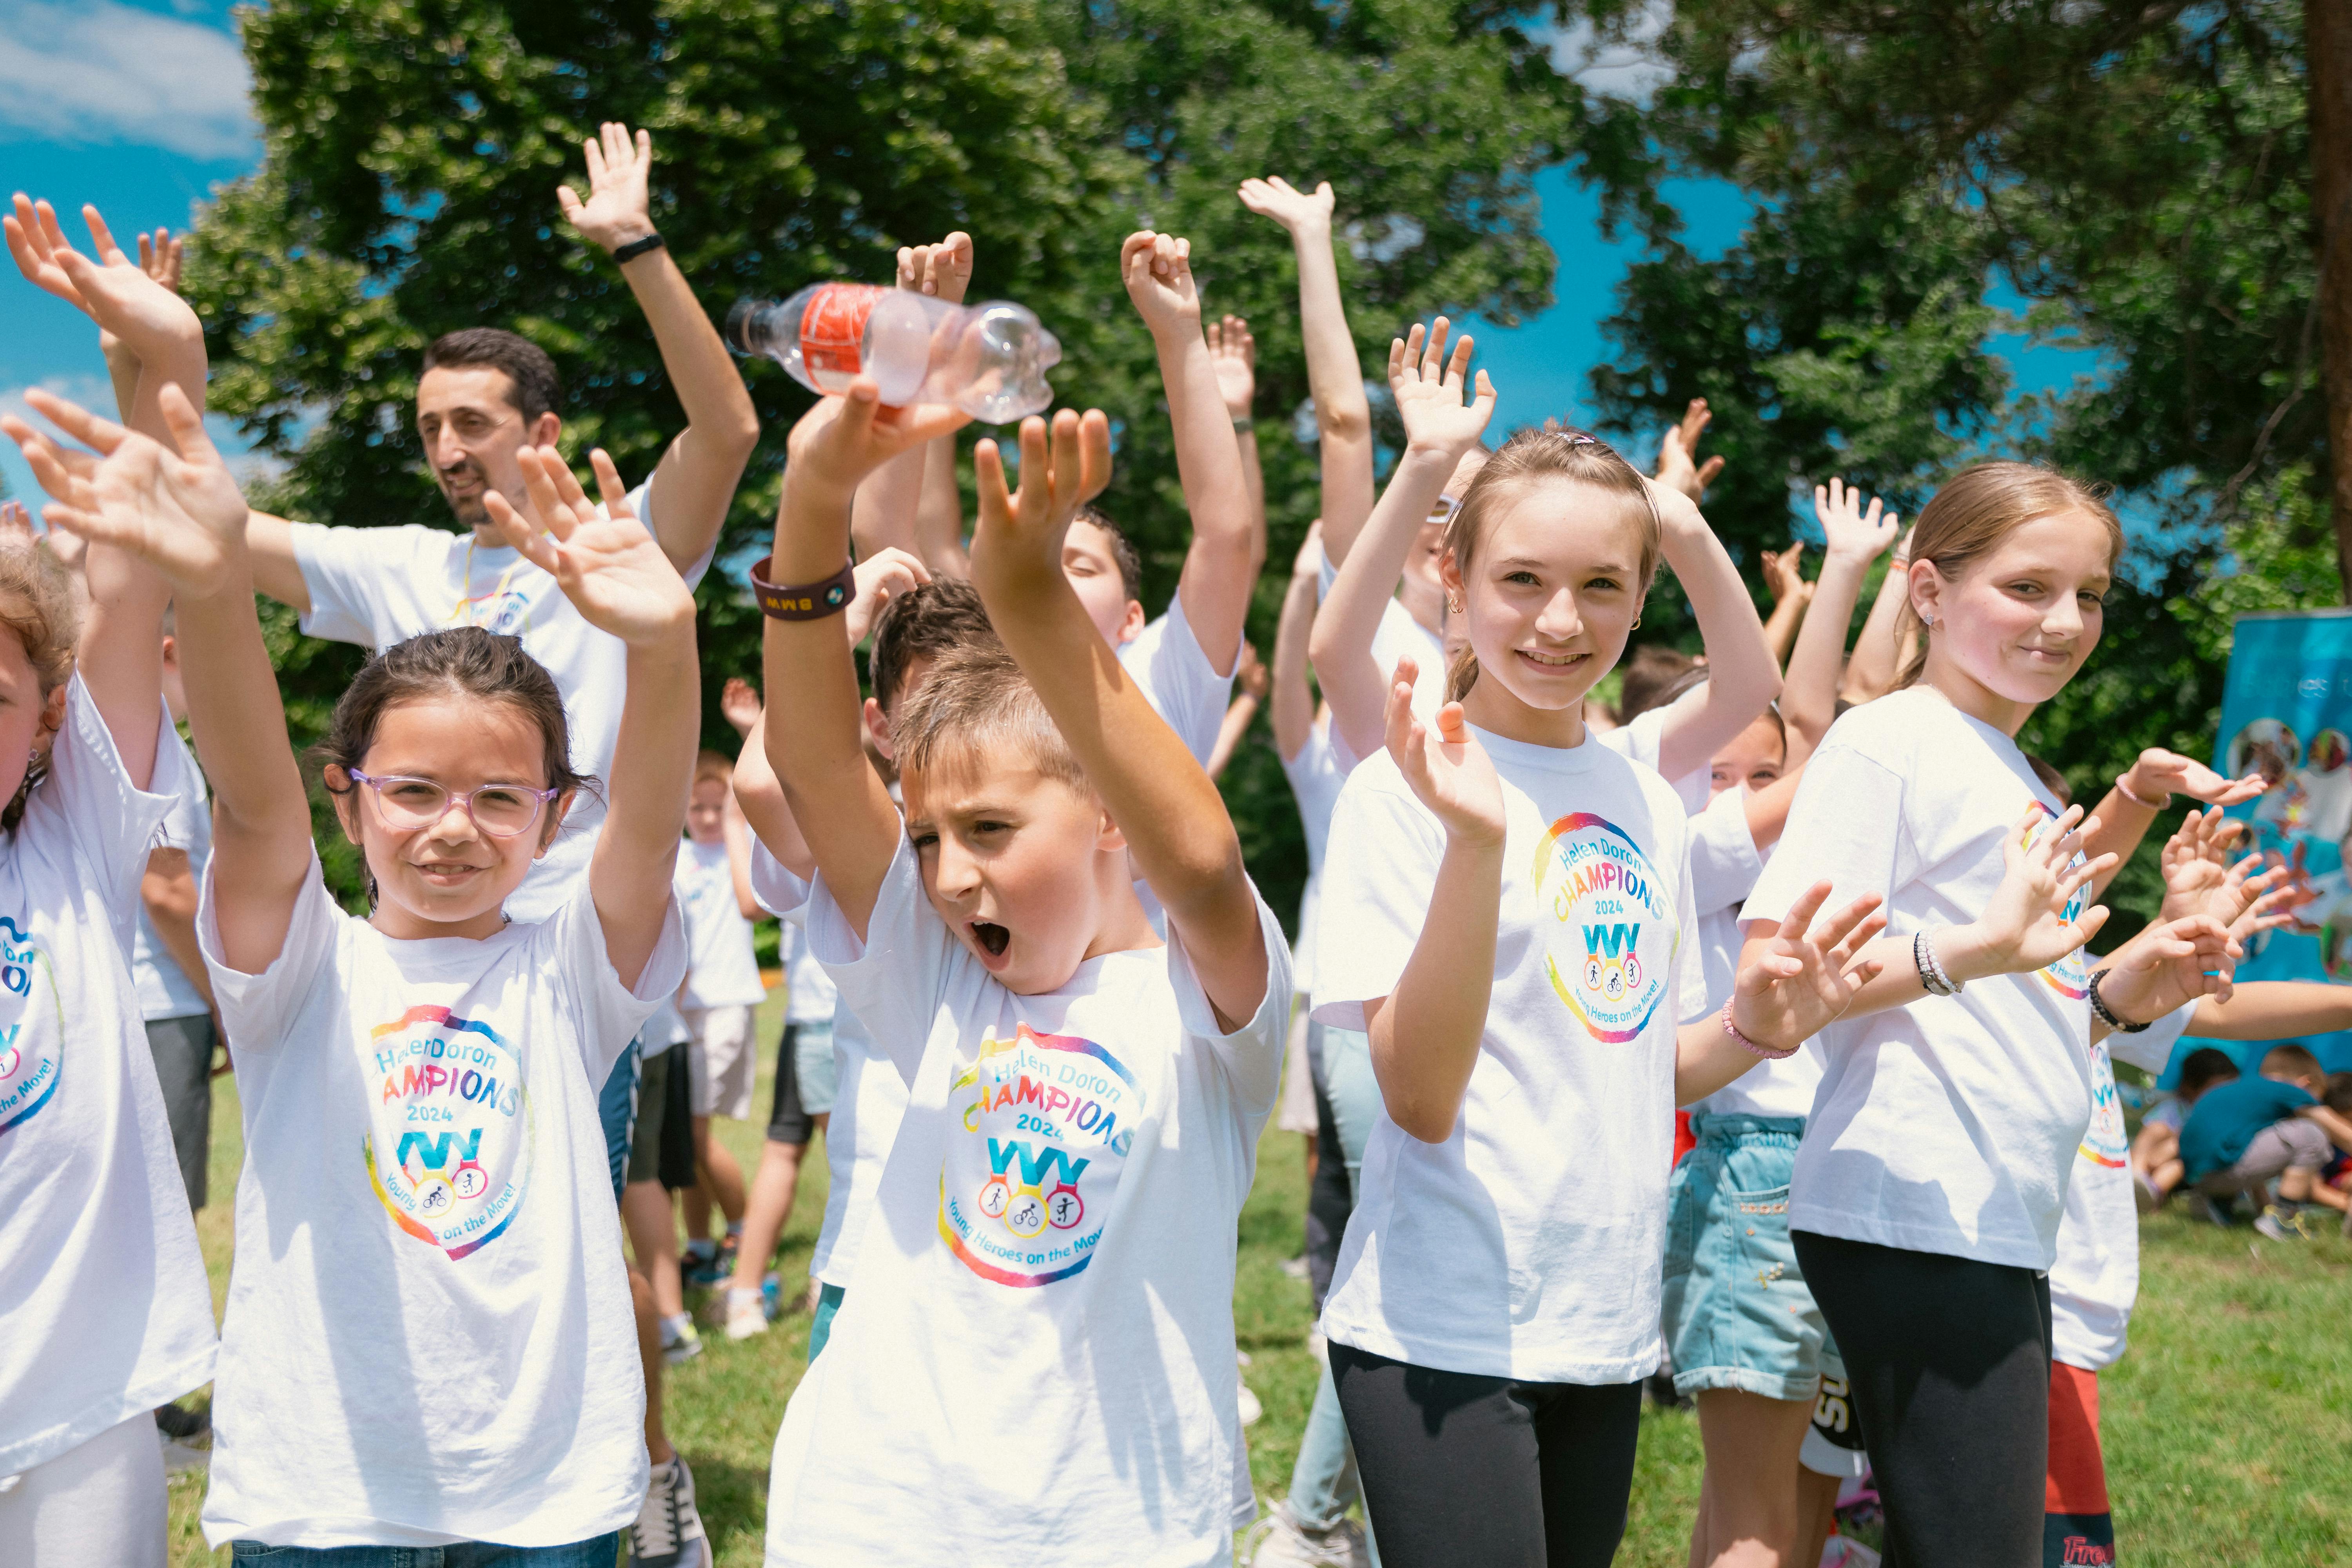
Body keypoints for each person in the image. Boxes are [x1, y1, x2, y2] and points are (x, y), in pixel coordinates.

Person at [21, 356, 699, 1559]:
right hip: (318, 1487)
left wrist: (663, 643)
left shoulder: (574, 972)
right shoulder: (298, 969)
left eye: (501, 796)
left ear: (552, 815)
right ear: (350, 803)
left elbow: (644, 835)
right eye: (413, 790)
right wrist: (217, 584)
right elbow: (249, 799)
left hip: (548, 1494)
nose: (454, 825)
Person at [1308, 321, 1911, 1565]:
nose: (1557, 620)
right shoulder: (1404, 786)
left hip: (1599, 1322)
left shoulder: (1639, 789)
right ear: (1455, 584)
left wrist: (1754, 1027)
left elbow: (1642, 1063)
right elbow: (1416, 1100)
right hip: (1441, 1326)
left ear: (1642, 598)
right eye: (1519, 579)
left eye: (1600, 586)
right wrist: (1474, 845)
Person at [751, 342, 1289, 1562]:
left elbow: (1200, 862)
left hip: (1117, 1526)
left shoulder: (1203, 1004)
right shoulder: (931, 975)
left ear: (1107, 810)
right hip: (874, 1510)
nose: (944, 875)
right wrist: (809, 497)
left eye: (988, 830)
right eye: (929, 836)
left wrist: (1032, 594)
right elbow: (812, 762)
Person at [1738, 461, 2244, 1568]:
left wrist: (2133, 982)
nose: (2065, 623)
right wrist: (1966, 951)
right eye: (2027, 588)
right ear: (1926, 592)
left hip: (1992, 1215)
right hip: (1911, 1209)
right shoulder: (1889, 742)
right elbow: (1775, 980)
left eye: (2091, 595)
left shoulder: (2006, 764)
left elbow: (2016, 996)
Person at [0, 245, 216, 1564]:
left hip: (79, 1405)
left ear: (46, 727)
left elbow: (130, 583)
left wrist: (162, 367)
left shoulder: (75, 835)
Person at [1663, 476, 1902, 1568]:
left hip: (1785, 1174)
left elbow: (1821, 728)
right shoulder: (1696, 854)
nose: (1744, 793)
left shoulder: (1779, 847)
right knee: (1767, 1501)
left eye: (1761, 775)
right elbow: (1822, 729)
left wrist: (1859, 575)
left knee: (1779, 1500)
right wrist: (1859, 577)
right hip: (1791, 1167)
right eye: (1718, 775)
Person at [675, 749, 763, 1288]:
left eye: (717, 807)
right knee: (688, 1140)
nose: (708, 817)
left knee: (695, 1135)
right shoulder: (675, 857)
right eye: (697, 807)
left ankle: (744, 1233)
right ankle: (701, 1245)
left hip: (727, 1000)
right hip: (682, 1011)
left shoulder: (743, 853)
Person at [2179, 1041, 2352, 1234]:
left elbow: (2255, 1158)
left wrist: (2263, 1208)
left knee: (2263, 1140)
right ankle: (2284, 1218)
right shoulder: (2289, 1090)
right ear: (2307, 1084)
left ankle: (2217, 1203)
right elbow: (2342, 1134)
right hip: (2225, 1169)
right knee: (2314, 1134)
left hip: (2196, 1176)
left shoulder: (2243, 1089)